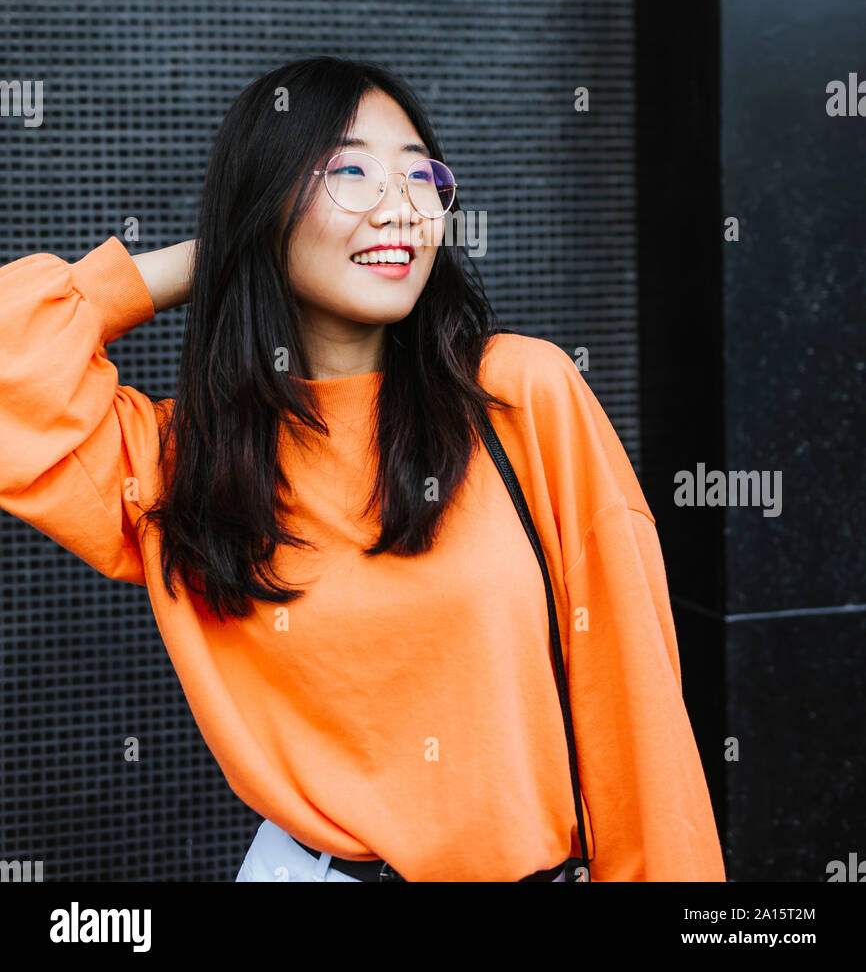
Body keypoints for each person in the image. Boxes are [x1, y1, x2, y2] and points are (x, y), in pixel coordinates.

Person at [0, 54, 726, 882]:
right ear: (266, 201)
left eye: (422, 176)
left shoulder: (522, 396)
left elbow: (636, 707)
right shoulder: (180, 460)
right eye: (350, 170)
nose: (402, 207)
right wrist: (227, 249)